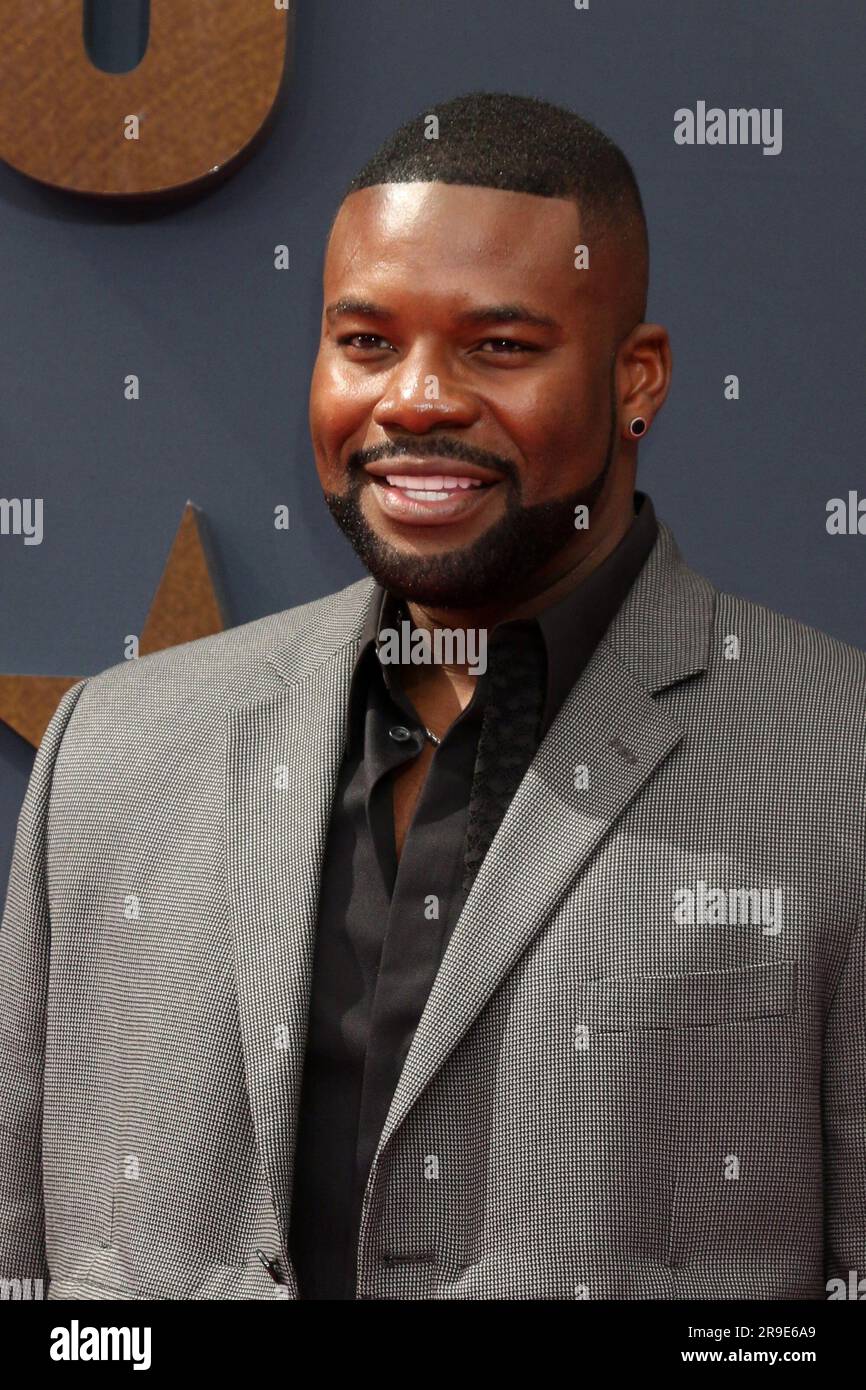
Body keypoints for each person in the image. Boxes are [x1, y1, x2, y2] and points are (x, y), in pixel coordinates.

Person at [1, 91, 863, 1302]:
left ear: (637, 381)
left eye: (495, 348)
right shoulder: (115, 746)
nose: (412, 399)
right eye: (364, 342)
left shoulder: (839, 761)